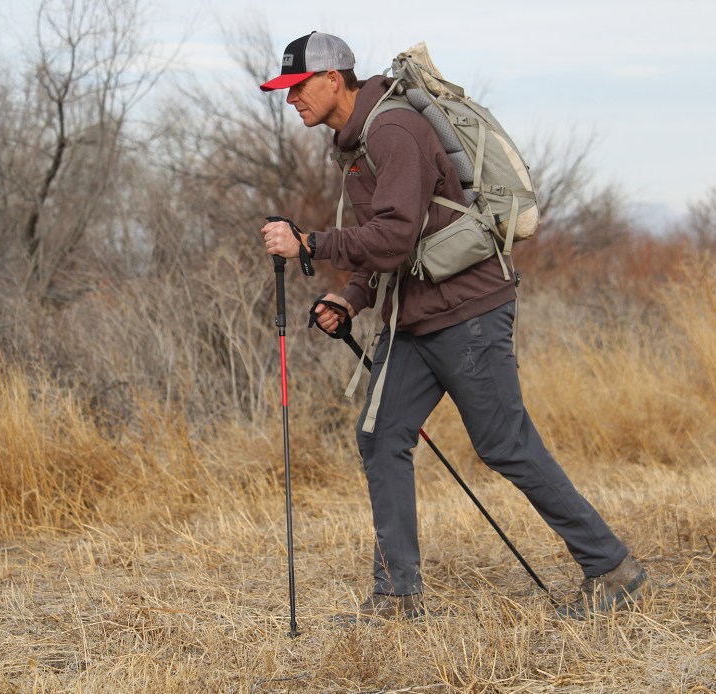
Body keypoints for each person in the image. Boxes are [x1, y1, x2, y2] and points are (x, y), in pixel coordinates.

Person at [258, 31, 648, 621]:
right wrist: (353, 297)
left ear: (334, 78)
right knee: (381, 437)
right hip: (414, 319)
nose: (290, 100)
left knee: (504, 444)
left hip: (467, 312)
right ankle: (397, 596)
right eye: (284, 91)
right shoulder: (356, 143)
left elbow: (391, 237)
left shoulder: (391, 131)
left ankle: (611, 567)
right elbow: (402, 242)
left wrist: (310, 242)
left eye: (298, 87)